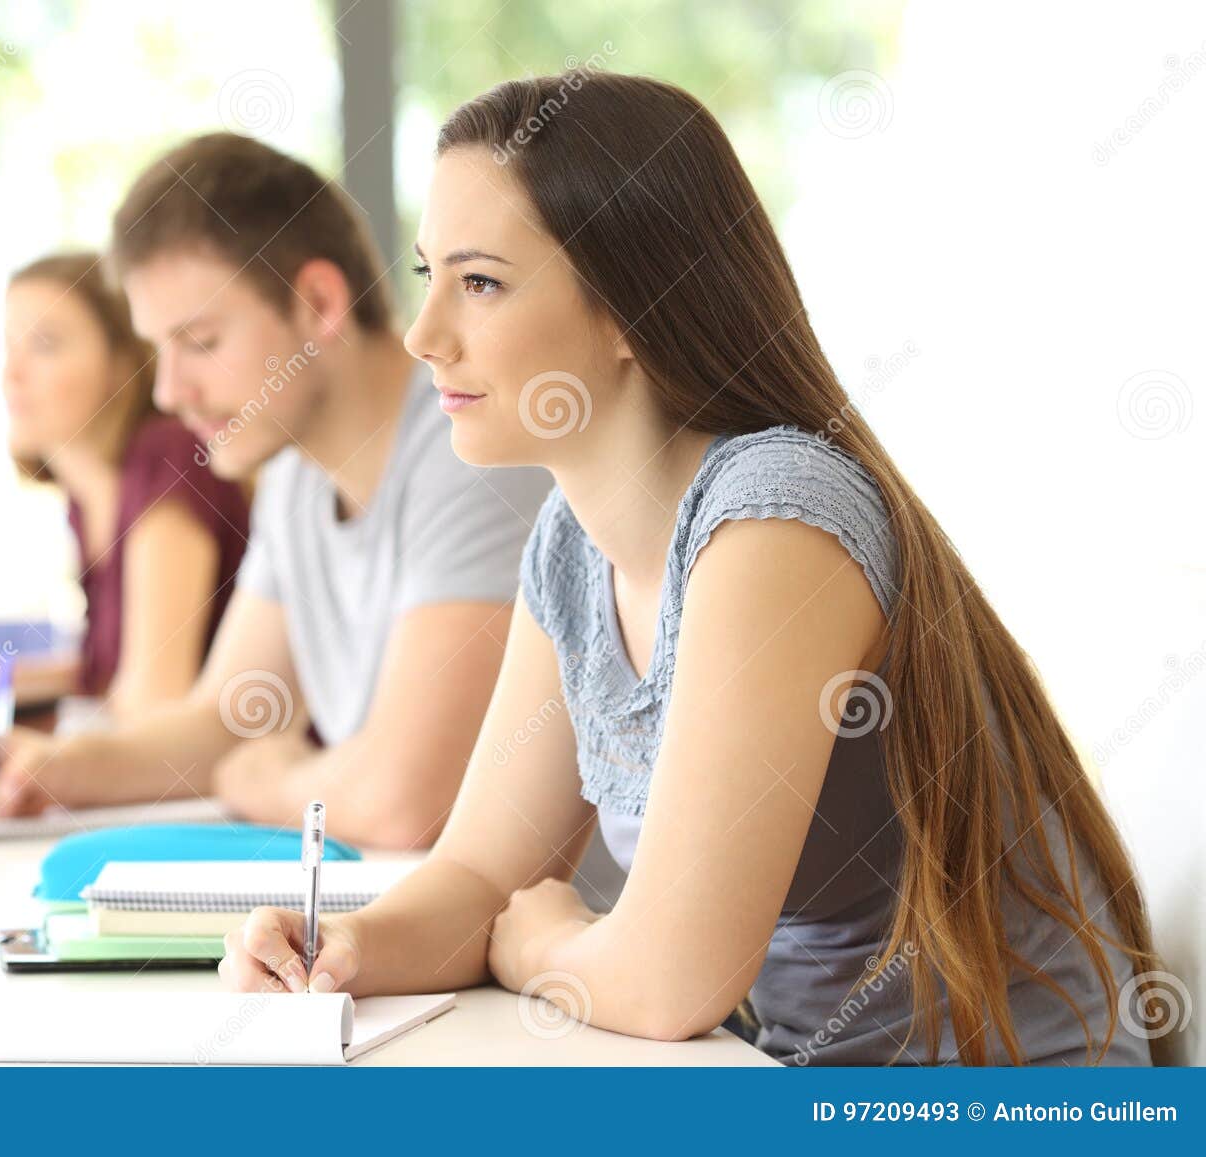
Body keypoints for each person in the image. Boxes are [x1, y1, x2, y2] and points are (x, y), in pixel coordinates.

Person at [219, 73, 1161, 1066]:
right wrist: (344, 947)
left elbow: (668, 980)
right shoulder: (570, 543)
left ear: (634, 307)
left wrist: (542, 942)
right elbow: (481, 873)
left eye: (481, 282)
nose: (422, 336)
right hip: (796, 1075)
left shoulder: (772, 522)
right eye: (426, 275)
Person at [0, 135, 553, 850]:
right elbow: (228, 720)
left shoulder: (469, 451)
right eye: (159, 348)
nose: (169, 391)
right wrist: (48, 769)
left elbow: (403, 801)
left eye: (199, 341)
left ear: (318, 301)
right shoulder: (295, 472)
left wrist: (261, 783)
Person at [0, 253, 248, 721]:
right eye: (8, 346)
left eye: (45, 345)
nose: (11, 374)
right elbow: (102, 674)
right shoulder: (85, 499)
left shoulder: (169, 459)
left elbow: (152, 699)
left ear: (123, 360)